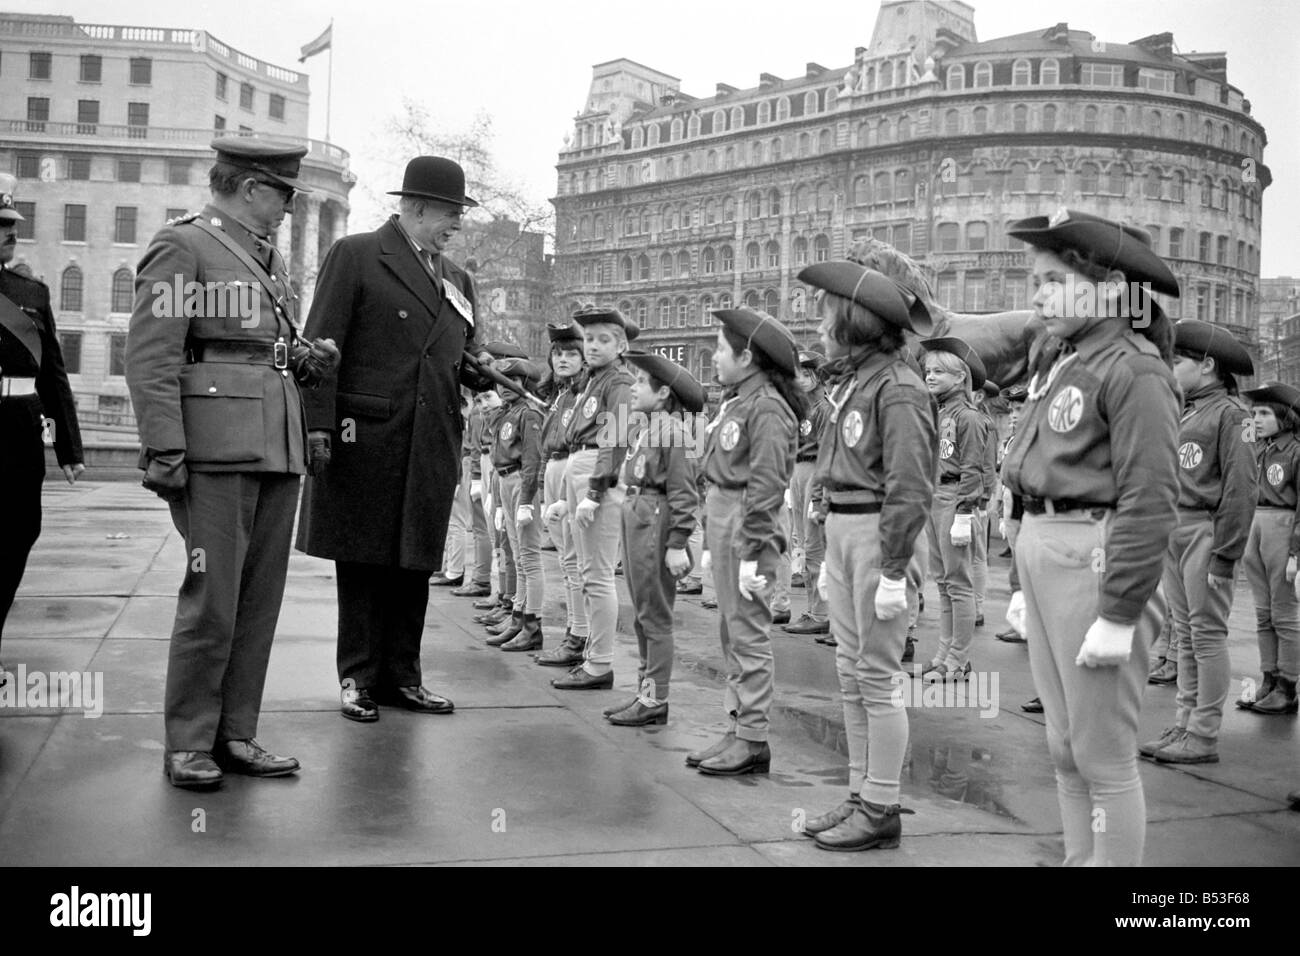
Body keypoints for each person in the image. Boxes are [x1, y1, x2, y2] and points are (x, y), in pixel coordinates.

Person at [127, 138, 337, 787]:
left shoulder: (268, 258)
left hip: (275, 441)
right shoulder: (182, 245)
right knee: (212, 598)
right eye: (282, 196)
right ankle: (188, 741)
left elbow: (253, 350)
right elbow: (152, 356)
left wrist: (303, 360)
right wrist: (165, 447)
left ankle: (236, 732)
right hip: (214, 448)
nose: (287, 211)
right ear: (250, 188)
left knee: (257, 600)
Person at [1001, 207, 1180, 866]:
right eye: (1038, 280)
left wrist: (1120, 611)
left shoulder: (1134, 368)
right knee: (1064, 745)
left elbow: (1151, 498)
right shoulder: (1069, 361)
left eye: (1052, 280)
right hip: (1051, 551)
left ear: (1109, 289)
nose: (1038, 294)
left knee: (1102, 754)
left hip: (1094, 560)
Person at [296, 155, 488, 723]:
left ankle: (404, 676)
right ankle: (358, 677)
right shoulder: (356, 255)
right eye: (451, 212)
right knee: (362, 561)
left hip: (430, 437)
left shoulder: (457, 278)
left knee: (414, 562)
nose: (457, 223)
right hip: (367, 435)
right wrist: (318, 426)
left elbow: (462, 354)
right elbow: (320, 347)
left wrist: (490, 369)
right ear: (416, 206)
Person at [795, 260, 936, 850]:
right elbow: (836, 460)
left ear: (856, 319)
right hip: (849, 532)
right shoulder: (859, 380)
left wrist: (896, 571)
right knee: (850, 674)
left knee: (876, 679)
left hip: (880, 536)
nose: (820, 322)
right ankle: (861, 793)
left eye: (828, 310)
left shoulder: (899, 387)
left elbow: (909, 484)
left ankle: (880, 803)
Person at [691, 307, 803, 775]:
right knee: (729, 629)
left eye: (720, 349)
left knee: (749, 633)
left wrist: (754, 550)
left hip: (746, 517)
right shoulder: (736, 401)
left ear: (748, 356)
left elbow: (767, 482)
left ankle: (754, 736)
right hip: (724, 512)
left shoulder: (768, 407)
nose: (715, 357)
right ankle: (738, 724)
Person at [1141, 320, 1256, 764]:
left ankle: (1204, 734)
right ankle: (1184, 722)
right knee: (1186, 636)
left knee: (1206, 637)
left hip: (1207, 531)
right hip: (1177, 528)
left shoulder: (1235, 414)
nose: (1170, 368)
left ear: (1207, 365)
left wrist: (1226, 555)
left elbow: (1242, 489)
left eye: (1178, 361)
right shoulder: (1187, 409)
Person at [1, 173, 84, 686]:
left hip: (17, 430)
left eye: (12, 225)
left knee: (17, 535)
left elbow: (52, 371)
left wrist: (69, 448)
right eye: (1, 226)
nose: (11, 233)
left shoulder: (30, 292)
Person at [603, 351, 703, 726]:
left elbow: (683, 492)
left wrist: (677, 543)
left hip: (656, 520)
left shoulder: (673, 432)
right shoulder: (647, 428)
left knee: (655, 616)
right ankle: (644, 691)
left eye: (642, 382)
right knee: (642, 613)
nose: (633, 387)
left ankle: (654, 698)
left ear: (663, 394)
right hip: (639, 514)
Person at [550, 306, 634, 690]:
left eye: (604, 339)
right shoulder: (594, 381)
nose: (593, 346)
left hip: (594, 470)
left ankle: (599, 663)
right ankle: (592, 656)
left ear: (622, 344)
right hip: (580, 465)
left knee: (597, 576)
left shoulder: (617, 382)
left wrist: (595, 491)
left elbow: (615, 436)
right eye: (589, 339)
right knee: (585, 572)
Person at [919, 336, 989, 683]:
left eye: (939, 371)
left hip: (954, 500)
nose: (929, 376)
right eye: (928, 370)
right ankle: (943, 653)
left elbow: (973, 468)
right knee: (944, 583)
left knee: (959, 584)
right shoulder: (939, 412)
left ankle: (959, 659)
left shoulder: (969, 417)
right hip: (935, 497)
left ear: (960, 377)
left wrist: (965, 512)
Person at [1238, 382, 1300, 714]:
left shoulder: (1295, 451)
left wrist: (1295, 554)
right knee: (1263, 613)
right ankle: (1268, 678)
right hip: (1254, 526)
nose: (1256, 419)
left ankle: (1288, 686)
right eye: (1254, 412)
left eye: (1264, 413)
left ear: (1285, 417)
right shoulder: (1258, 448)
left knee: (1284, 614)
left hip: (1282, 526)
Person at [536, 321, 591, 667]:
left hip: (575, 465)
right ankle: (574, 627)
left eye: (571, 353)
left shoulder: (585, 393)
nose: (563, 359)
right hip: (556, 466)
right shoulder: (559, 394)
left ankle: (580, 633)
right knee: (565, 558)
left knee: (578, 560)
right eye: (558, 353)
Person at [484, 357, 546, 652]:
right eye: (501, 382)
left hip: (521, 481)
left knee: (530, 558)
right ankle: (518, 618)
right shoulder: (508, 412)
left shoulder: (529, 414)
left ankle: (532, 625)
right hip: (505, 480)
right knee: (518, 556)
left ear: (525, 383)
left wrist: (527, 500)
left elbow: (533, 458)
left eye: (512, 382)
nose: (505, 388)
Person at [783, 349, 831, 636]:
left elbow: (826, 453)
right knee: (802, 543)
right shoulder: (802, 409)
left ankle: (820, 612)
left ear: (815, 377)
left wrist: (819, 495)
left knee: (815, 547)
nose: (798, 379)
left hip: (814, 472)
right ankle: (814, 609)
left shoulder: (825, 410)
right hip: (799, 471)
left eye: (804, 373)